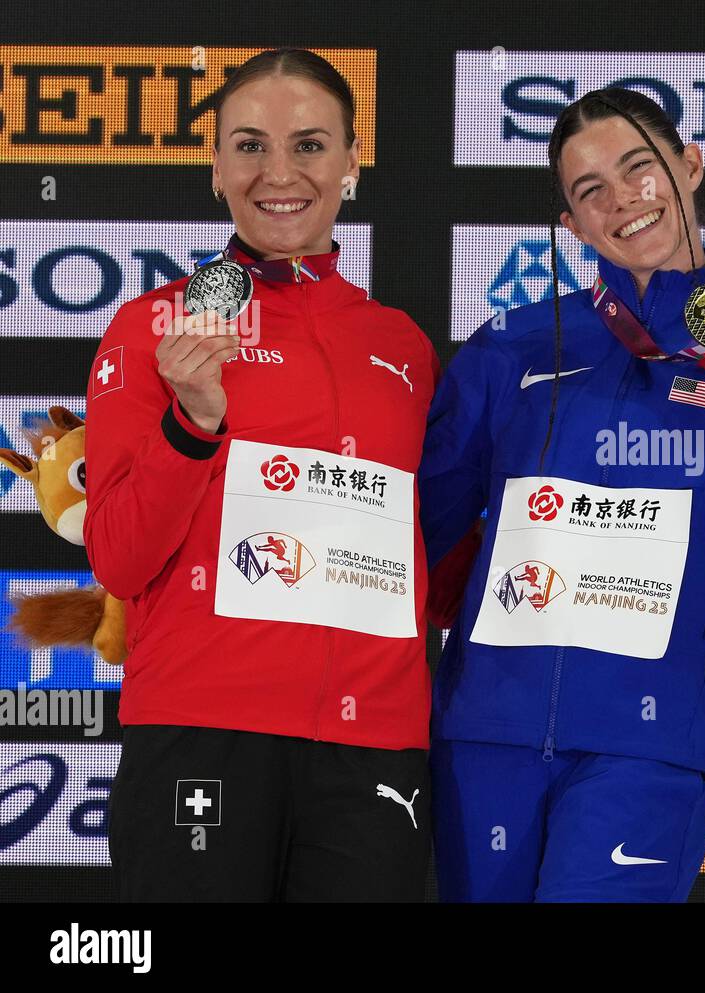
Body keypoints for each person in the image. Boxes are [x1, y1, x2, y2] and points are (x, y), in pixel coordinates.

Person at [418, 87, 705, 902]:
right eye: (590, 191)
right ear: (573, 226)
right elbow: (413, 548)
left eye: (639, 168)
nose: (622, 201)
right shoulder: (509, 348)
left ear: (688, 166)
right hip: (488, 740)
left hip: (656, 745)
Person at [87, 48, 450, 901]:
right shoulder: (155, 325)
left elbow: (438, 548)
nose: (278, 173)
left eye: (310, 145)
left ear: (352, 163)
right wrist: (193, 421)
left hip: (375, 746)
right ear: (215, 167)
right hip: (201, 730)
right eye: (249, 146)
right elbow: (119, 558)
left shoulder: (402, 344)